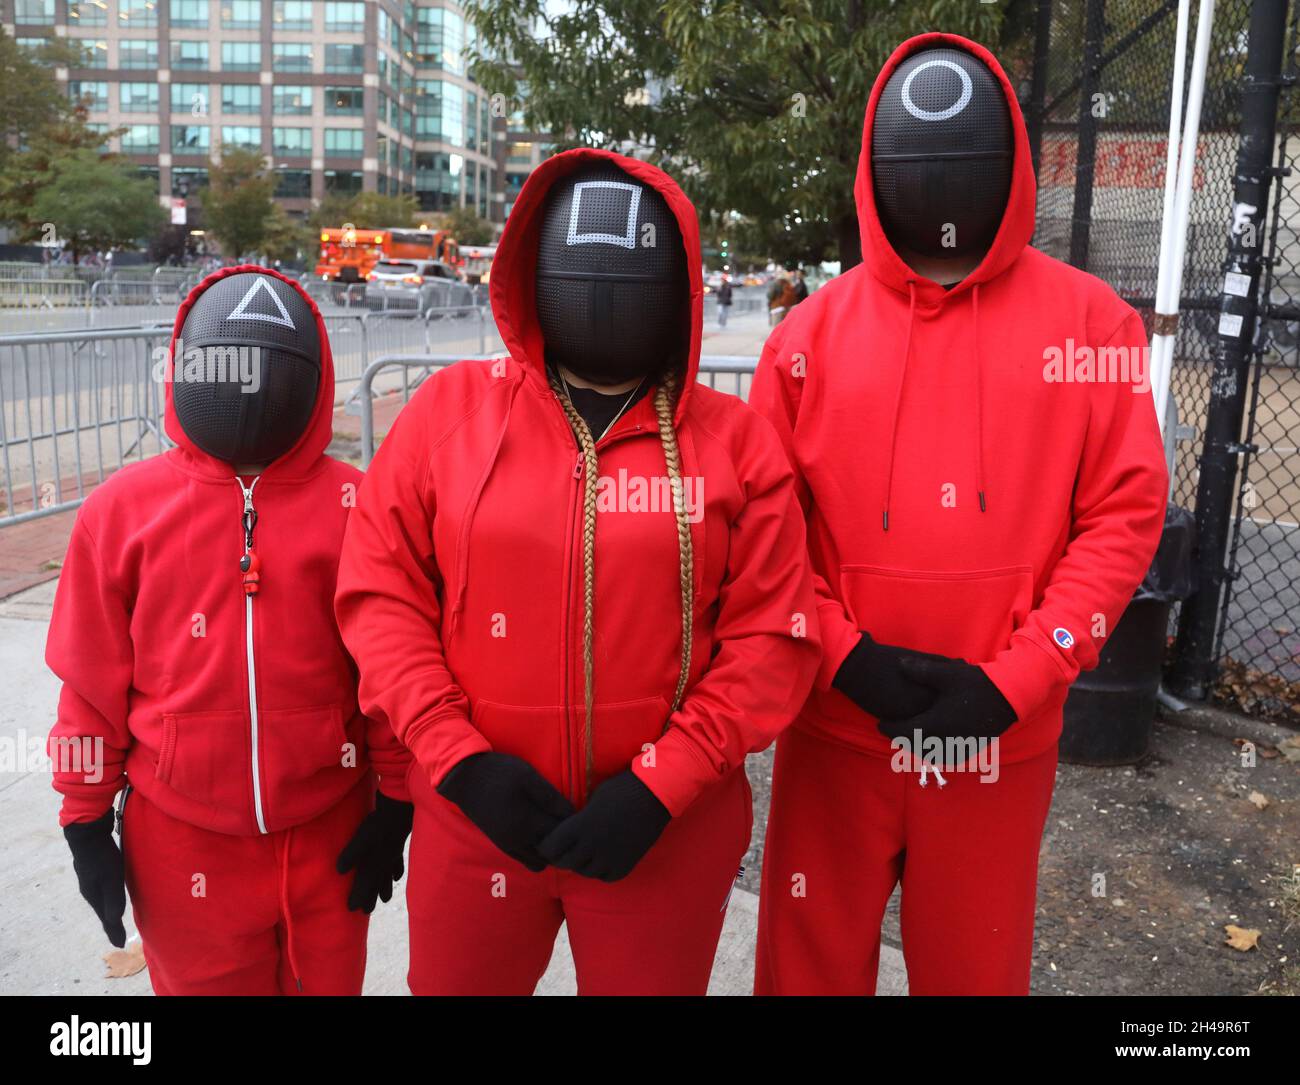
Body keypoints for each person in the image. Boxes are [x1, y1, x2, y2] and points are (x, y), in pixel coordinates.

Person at [335, 149, 820, 996]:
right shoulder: (447, 414)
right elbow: (382, 596)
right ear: (538, 273)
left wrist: (660, 787)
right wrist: (458, 762)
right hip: (474, 820)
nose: (600, 295)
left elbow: (772, 637)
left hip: (665, 832)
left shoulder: (738, 443)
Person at [751, 32, 1168, 995]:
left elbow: (1123, 517)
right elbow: (765, 535)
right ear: (877, 167)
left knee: (975, 969)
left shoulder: (1096, 327)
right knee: (805, 969)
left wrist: (1020, 677)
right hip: (835, 732)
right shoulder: (806, 339)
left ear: (1008, 161)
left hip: (997, 743)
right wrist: (839, 653)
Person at [47, 266, 414, 995]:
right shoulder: (122, 511)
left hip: (329, 831)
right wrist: (85, 818)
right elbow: (90, 681)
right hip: (182, 845)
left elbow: (387, 668)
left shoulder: (357, 503)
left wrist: (397, 800)